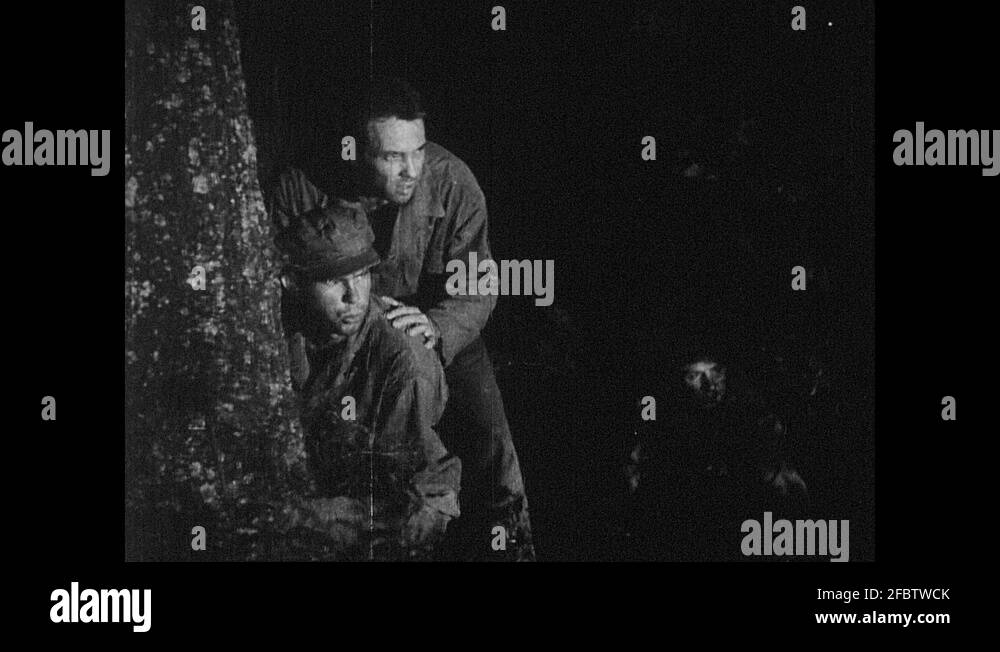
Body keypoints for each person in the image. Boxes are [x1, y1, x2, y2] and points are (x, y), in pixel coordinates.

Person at [268, 77, 533, 561]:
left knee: (492, 444)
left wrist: (439, 326)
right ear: (355, 152)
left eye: (417, 150)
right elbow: (275, 282)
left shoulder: (453, 182)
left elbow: (478, 281)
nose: (410, 169)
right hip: (336, 336)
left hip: (433, 321)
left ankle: (511, 546)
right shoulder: (301, 188)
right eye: (391, 157)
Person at [277, 204, 461, 560]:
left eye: (361, 275)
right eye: (334, 281)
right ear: (293, 283)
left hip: (389, 516)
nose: (354, 296)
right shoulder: (283, 329)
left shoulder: (402, 361)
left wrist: (305, 516)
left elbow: (405, 498)